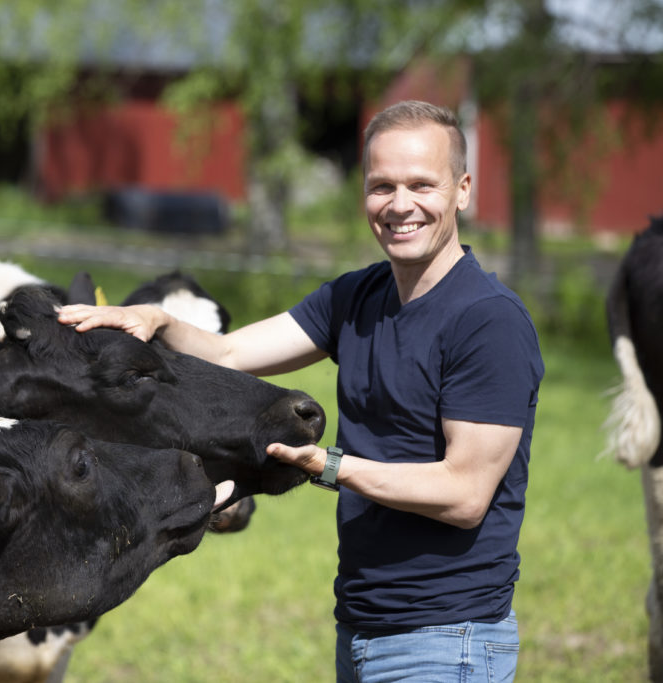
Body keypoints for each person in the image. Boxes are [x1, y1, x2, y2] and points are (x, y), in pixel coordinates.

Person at [57, 100, 543, 682]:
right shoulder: (357, 298)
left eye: (421, 184)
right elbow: (233, 354)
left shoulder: (488, 322)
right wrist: (159, 323)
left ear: (462, 190)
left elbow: (465, 495)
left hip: (446, 636)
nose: (399, 204)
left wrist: (329, 465)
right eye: (381, 185)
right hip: (361, 623)